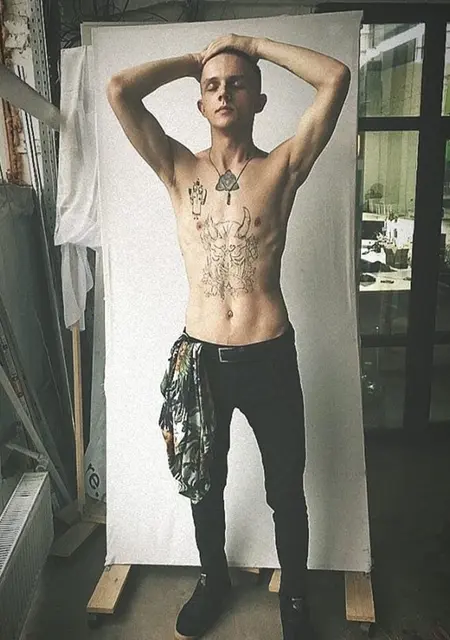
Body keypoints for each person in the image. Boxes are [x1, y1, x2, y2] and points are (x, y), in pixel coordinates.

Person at [107, 32, 350, 640]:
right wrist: (195, 61)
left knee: (285, 490)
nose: (223, 93)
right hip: (201, 361)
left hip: (269, 355)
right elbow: (119, 90)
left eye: (237, 84)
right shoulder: (177, 168)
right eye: (212, 86)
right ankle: (213, 581)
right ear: (199, 103)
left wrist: (252, 46)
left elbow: (335, 78)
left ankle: (295, 597)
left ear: (258, 100)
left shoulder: (281, 168)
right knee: (204, 484)